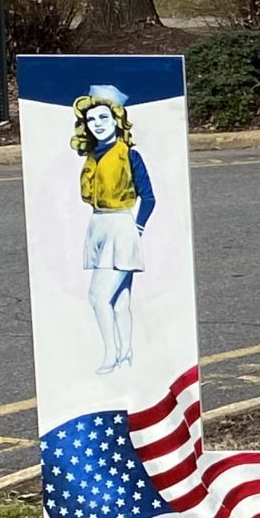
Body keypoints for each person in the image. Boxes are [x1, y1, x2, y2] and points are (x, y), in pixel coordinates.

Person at [71, 91, 153, 375]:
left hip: (120, 225)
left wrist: (137, 229)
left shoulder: (129, 154)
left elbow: (149, 197)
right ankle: (126, 352)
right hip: (99, 225)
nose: (97, 123)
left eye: (103, 117)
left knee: (97, 297)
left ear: (117, 120)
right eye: (91, 119)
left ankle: (110, 354)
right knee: (119, 300)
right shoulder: (92, 156)